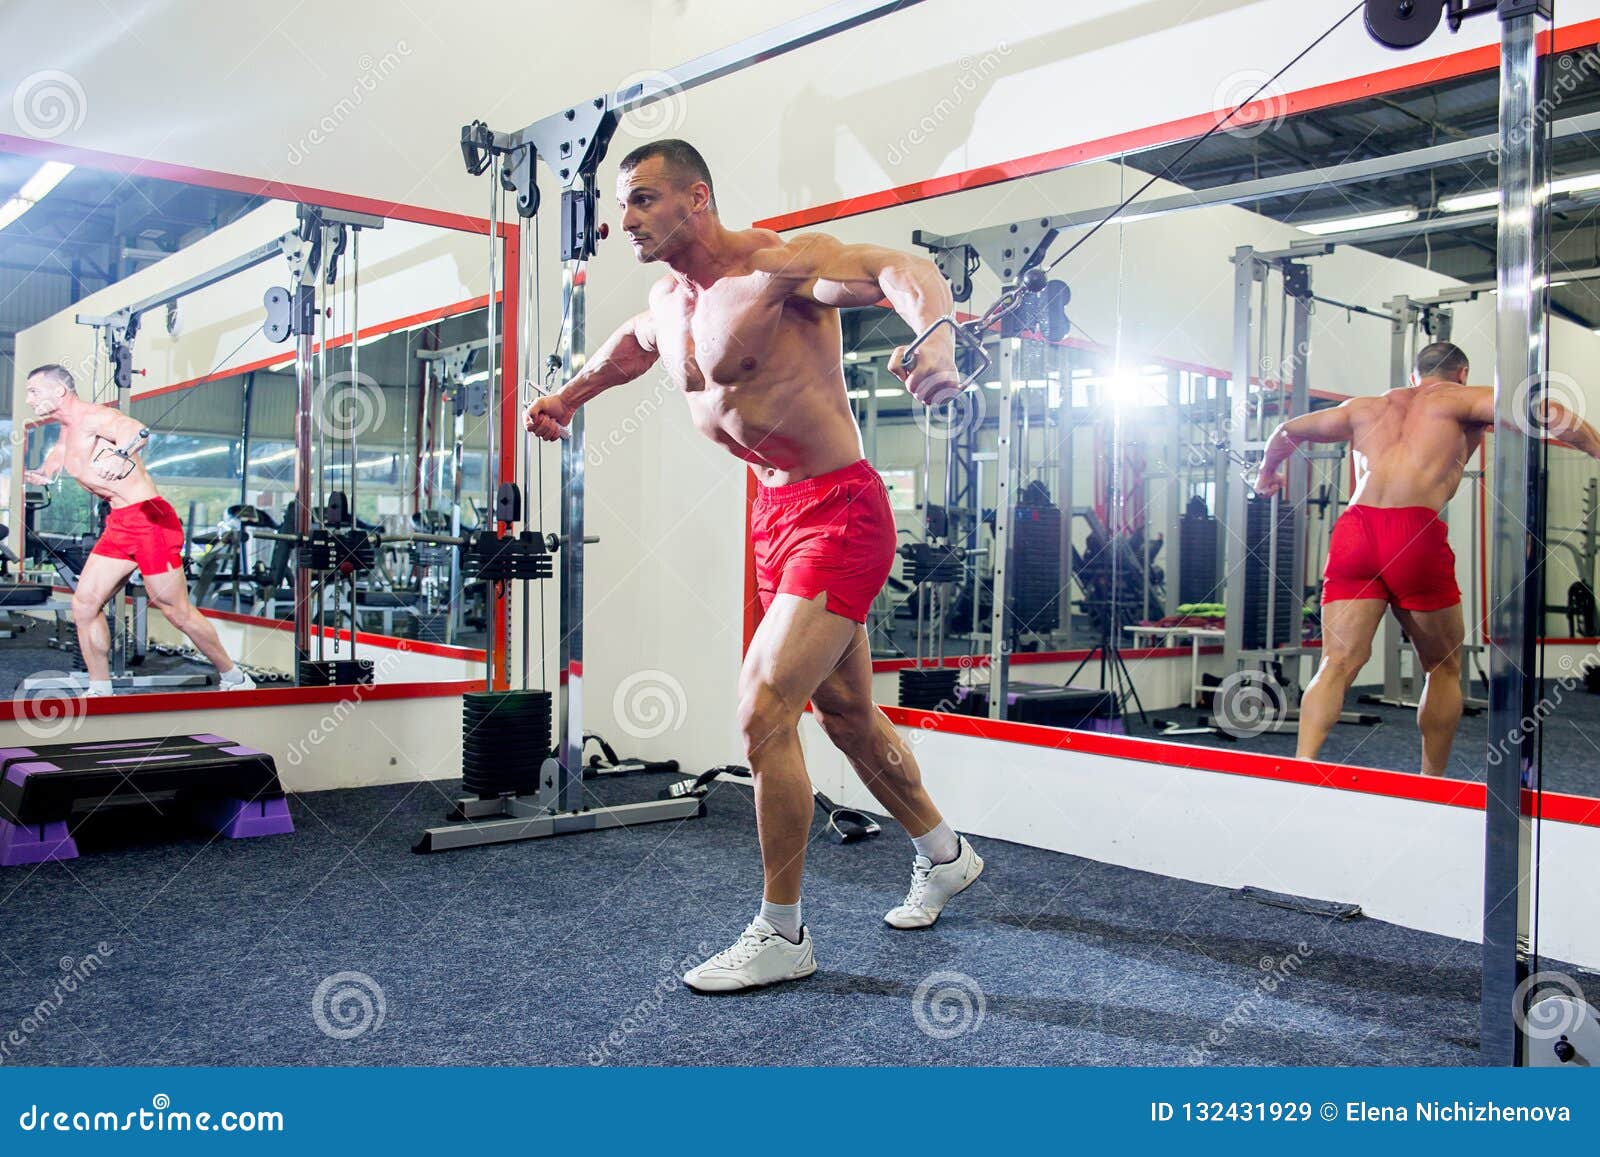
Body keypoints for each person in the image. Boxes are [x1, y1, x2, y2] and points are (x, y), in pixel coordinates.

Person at [524, 139, 983, 993]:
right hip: (772, 516)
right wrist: (566, 397)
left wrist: (937, 338)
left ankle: (783, 932)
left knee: (763, 709)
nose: (626, 219)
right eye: (624, 204)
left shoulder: (779, 269)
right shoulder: (668, 303)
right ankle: (944, 852)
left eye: (644, 200)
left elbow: (900, 266)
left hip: (838, 508)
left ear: (697, 198)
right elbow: (627, 350)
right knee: (845, 713)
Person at [1256, 341, 1600, 774]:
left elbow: (1287, 430)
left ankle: (1302, 766)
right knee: (1443, 666)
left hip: (1355, 529)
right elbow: (1552, 414)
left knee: (1337, 662)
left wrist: (1267, 473)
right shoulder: (1462, 398)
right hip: (1412, 532)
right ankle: (1430, 782)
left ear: (1414, 375)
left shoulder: (1367, 406)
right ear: (1462, 372)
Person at [23, 364, 256, 696]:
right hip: (119, 523)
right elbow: (60, 454)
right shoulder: (66, 428)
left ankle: (233, 675)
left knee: (175, 610)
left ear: (59, 391)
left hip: (150, 519)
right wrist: (45, 472)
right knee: (84, 605)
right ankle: (100, 688)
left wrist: (121, 453)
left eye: (34, 391)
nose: (29, 400)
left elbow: (135, 429)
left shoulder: (92, 417)